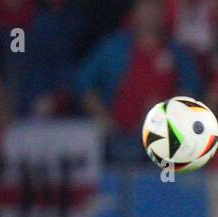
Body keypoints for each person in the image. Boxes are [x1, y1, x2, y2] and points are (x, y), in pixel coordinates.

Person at [78, 0, 200, 143]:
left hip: (160, 139)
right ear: (135, 13)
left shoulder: (177, 53)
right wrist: (102, 116)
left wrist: (165, 112)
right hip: (114, 137)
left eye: (155, 8)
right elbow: (83, 84)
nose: (150, 14)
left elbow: (191, 89)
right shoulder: (113, 47)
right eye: (145, 8)